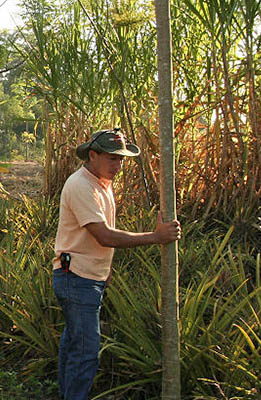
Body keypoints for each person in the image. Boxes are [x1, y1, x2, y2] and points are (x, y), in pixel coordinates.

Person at [52, 127, 181, 400]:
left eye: (121, 159)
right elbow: (104, 235)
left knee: (74, 344)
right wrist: (156, 237)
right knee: (85, 351)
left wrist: (105, 270)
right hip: (76, 278)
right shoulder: (81, 186)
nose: (118, 165)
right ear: (93, 155)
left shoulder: (100, 184)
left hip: (86, 277)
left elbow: (96, 236)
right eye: (112, 158)